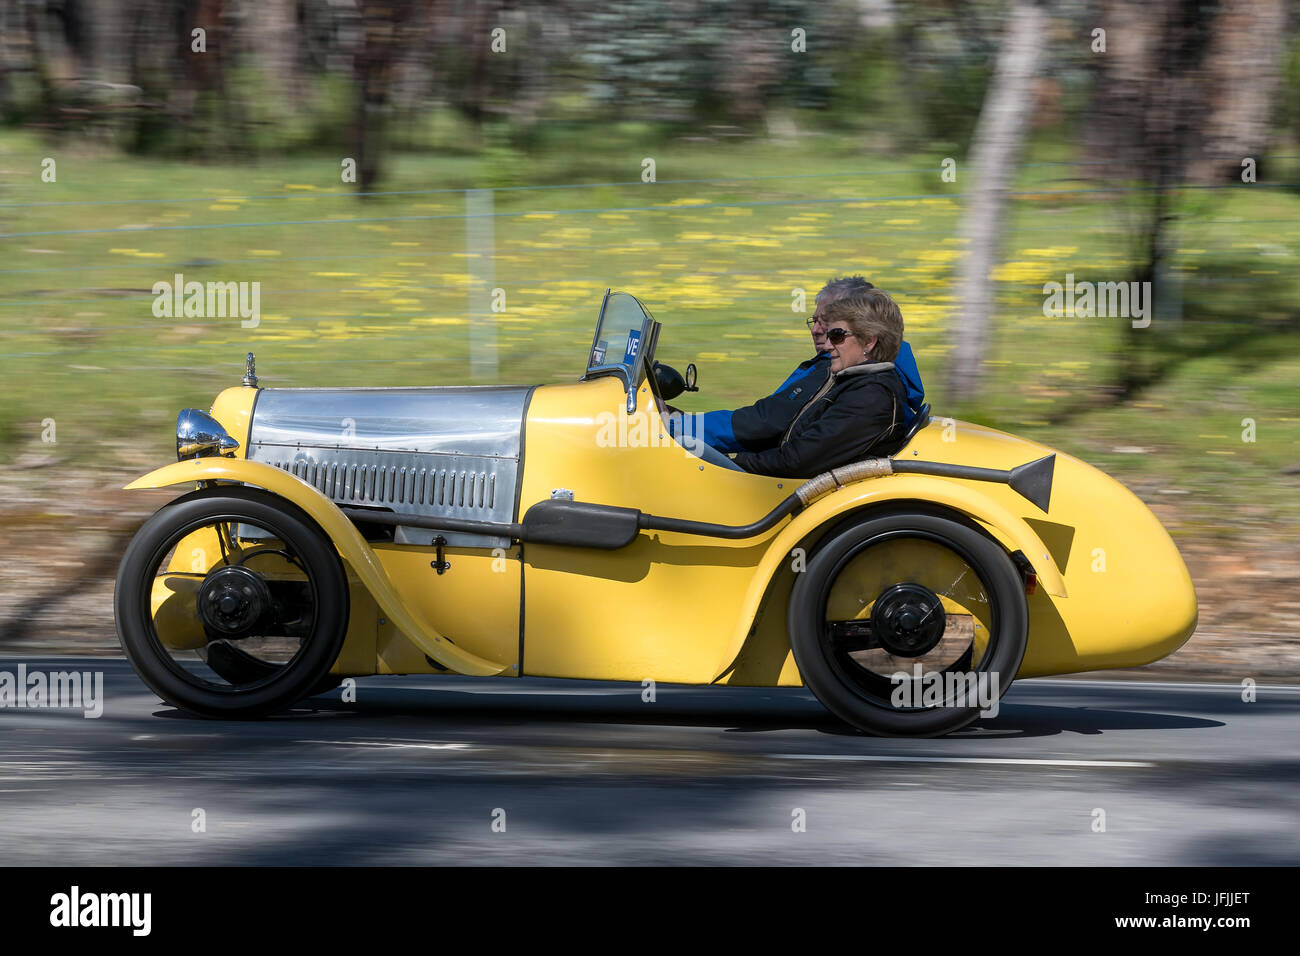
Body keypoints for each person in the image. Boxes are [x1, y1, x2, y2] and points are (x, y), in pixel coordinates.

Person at [684, 275, 923, 456]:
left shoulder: (841, 376)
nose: (817, 330)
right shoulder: (879, 371)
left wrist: (674, 425)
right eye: (815, 320)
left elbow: (762, 424)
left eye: (831, 326)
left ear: (865, 332)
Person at [731, 290, 908, 478]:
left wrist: (731, 464)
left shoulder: (871, 396)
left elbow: (795, 460)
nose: (828, 345)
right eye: (829, 336)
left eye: (837, 336)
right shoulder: (854, 384)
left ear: (869, 342)